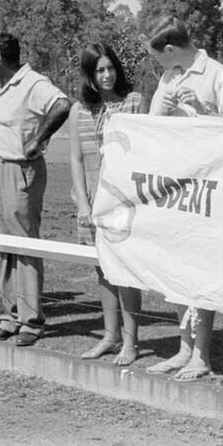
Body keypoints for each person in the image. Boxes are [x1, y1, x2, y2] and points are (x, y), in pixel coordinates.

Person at [143, 15, 223, 381]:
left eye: (159, 58)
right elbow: (154, 125)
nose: (159, 66)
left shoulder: (219, 74)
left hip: (207, 186)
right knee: (174, 270)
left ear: (170, 49)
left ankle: (202, 354)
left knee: (201, 270)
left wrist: (202, 110)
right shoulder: (169, 77)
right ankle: (184, 347)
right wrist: (164, 110)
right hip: (173, 186)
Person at [0, 32, 71, 347]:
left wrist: (37, 139)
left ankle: (30, 320)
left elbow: (61, 105)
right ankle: (7, 316)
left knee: (25, 245)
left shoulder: (33, 83)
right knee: (2, 245)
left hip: (18, 171)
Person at [70, 43, 147, 364]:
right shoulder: (79, 111)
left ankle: (131, 341)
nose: (106, 75)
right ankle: (110, 336)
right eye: (99, 70)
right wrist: (83, 204)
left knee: (125, 271)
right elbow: (75, 158)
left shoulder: (134, 102)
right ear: (89, 75)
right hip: (91, 207)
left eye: (111, 68)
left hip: (125, 205)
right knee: (102, 270)